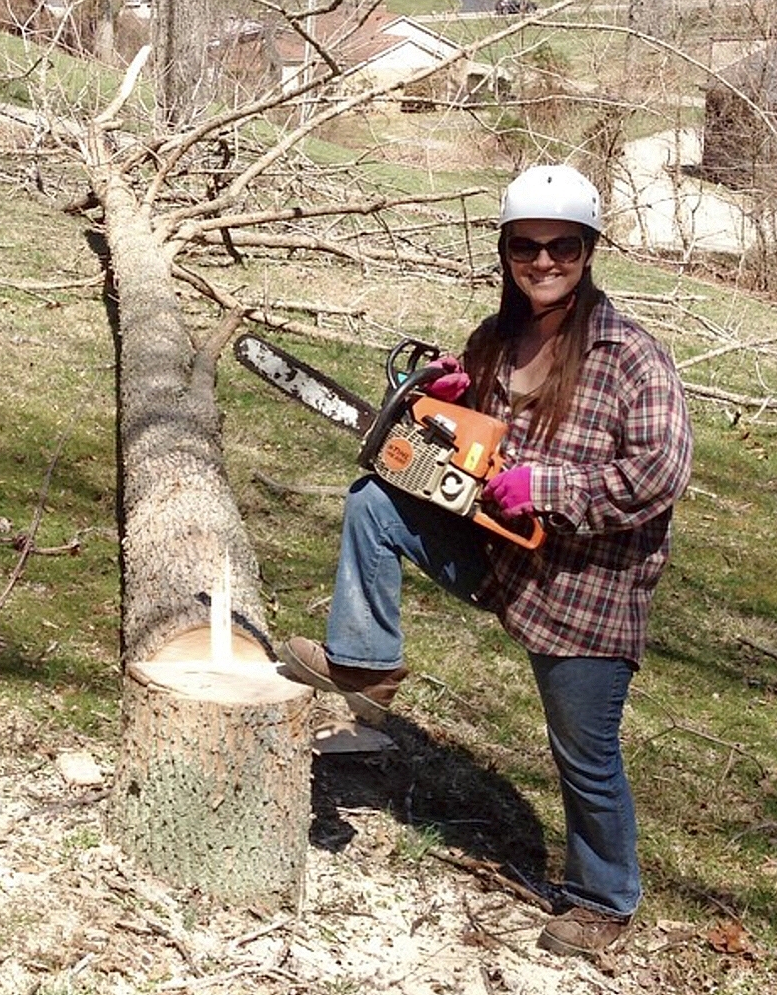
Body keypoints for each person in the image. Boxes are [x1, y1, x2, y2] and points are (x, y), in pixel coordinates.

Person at [278, 163, 693, 959]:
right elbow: (477, 439)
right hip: (501, 559)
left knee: (585, 752)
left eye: (561, 247)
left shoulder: (631, 355)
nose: (542, 262)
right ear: (504, 251)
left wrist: (551, 485)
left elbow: (657, 474)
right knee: (374, 500)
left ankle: (604, 897)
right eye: (525, 247)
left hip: (586, 592)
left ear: (587, 250)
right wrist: (446, 393)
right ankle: (365, 663)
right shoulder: (501, 337)